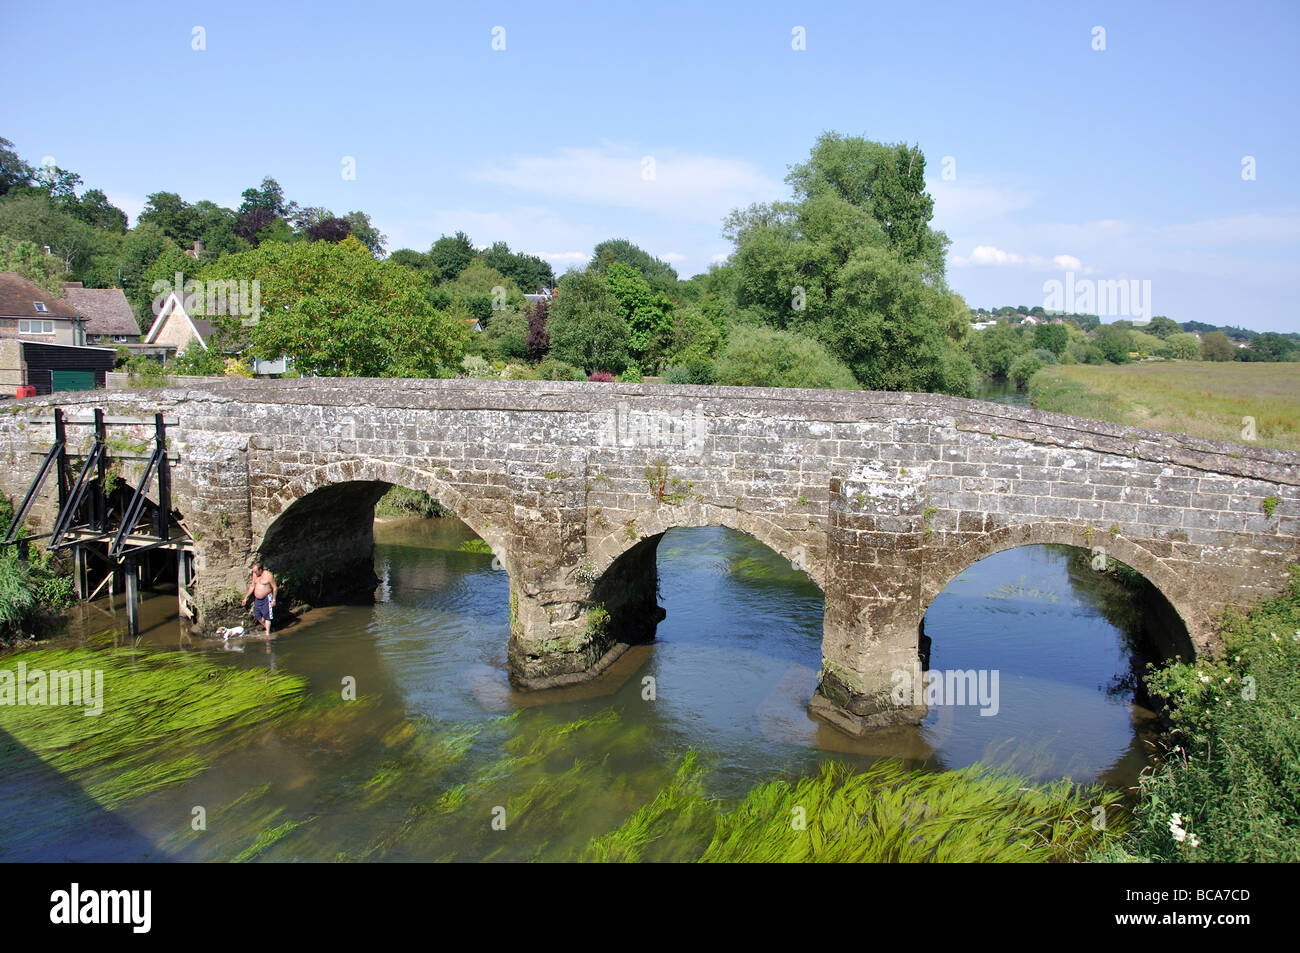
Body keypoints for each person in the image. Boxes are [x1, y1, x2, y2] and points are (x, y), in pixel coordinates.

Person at [244, 560, 277, 637]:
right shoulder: (255, 575)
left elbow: (274, 588)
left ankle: (267, 633)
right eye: (254, 572)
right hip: (257, 599)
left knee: (267, 615)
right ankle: (268, 627)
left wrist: (274, 600)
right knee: (257, 614)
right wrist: (245, 598)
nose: (254, 573)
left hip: (267, 598)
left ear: (260, 570)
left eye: (256, 572)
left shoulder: (268, 575)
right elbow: (252, 586)